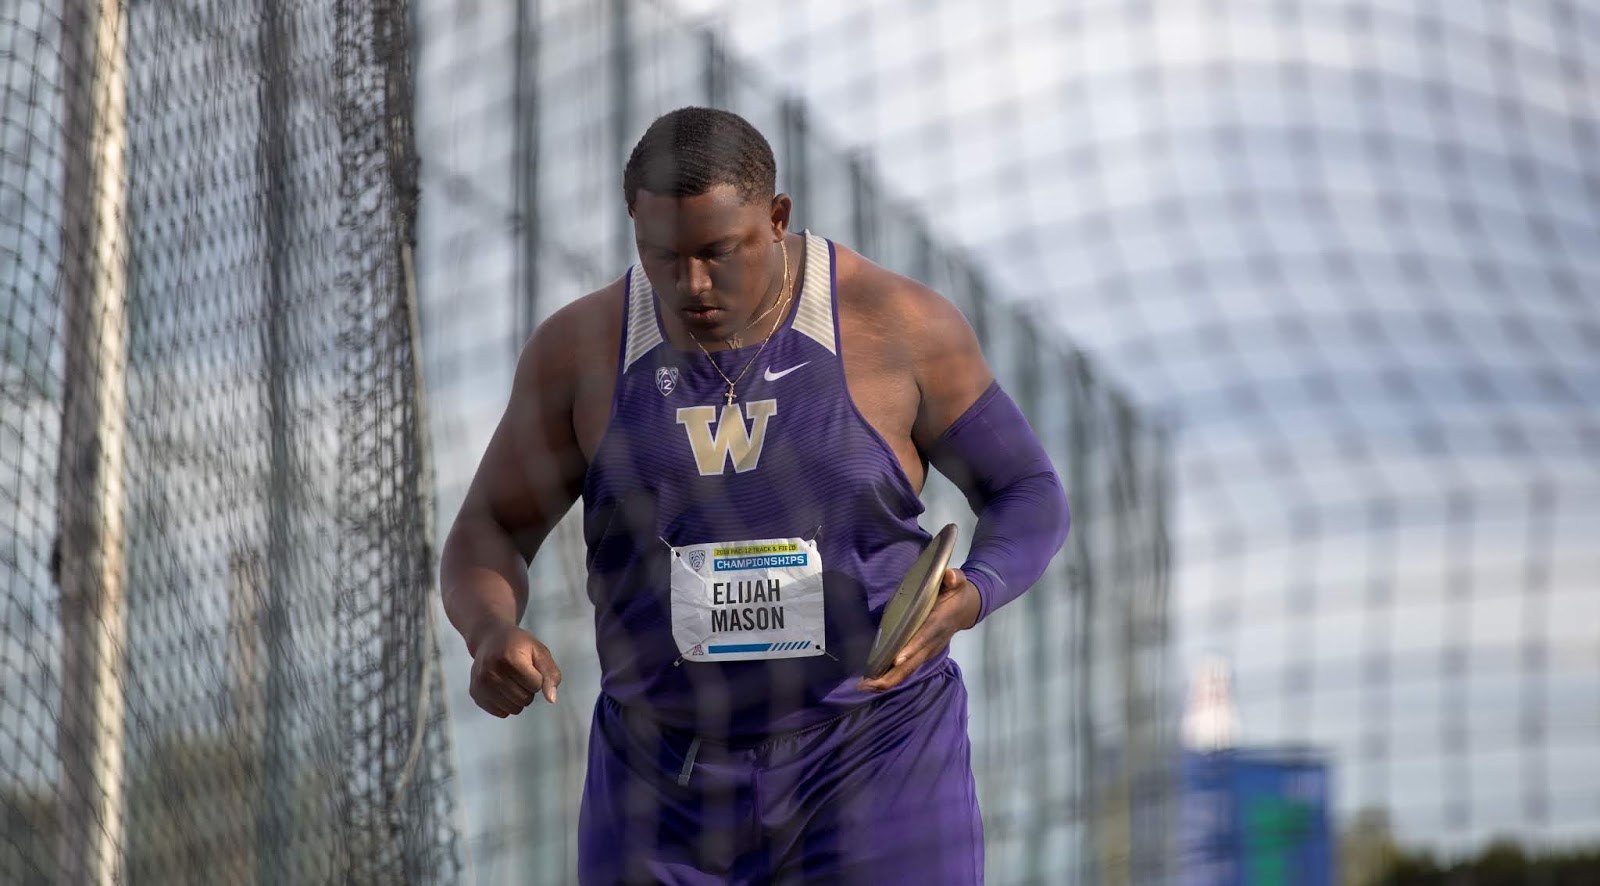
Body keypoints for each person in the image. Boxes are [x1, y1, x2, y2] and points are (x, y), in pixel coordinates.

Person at [441, 106, 1070, 884]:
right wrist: (489, 629)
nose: (691, 285)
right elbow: (491, 527)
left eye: (717, 252)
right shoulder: (581, 351)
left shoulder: (895, 325)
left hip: (876, 755)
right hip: (659, 787)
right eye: (662, 257)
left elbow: (1028, 490)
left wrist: (975, 591)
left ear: (776, 219)